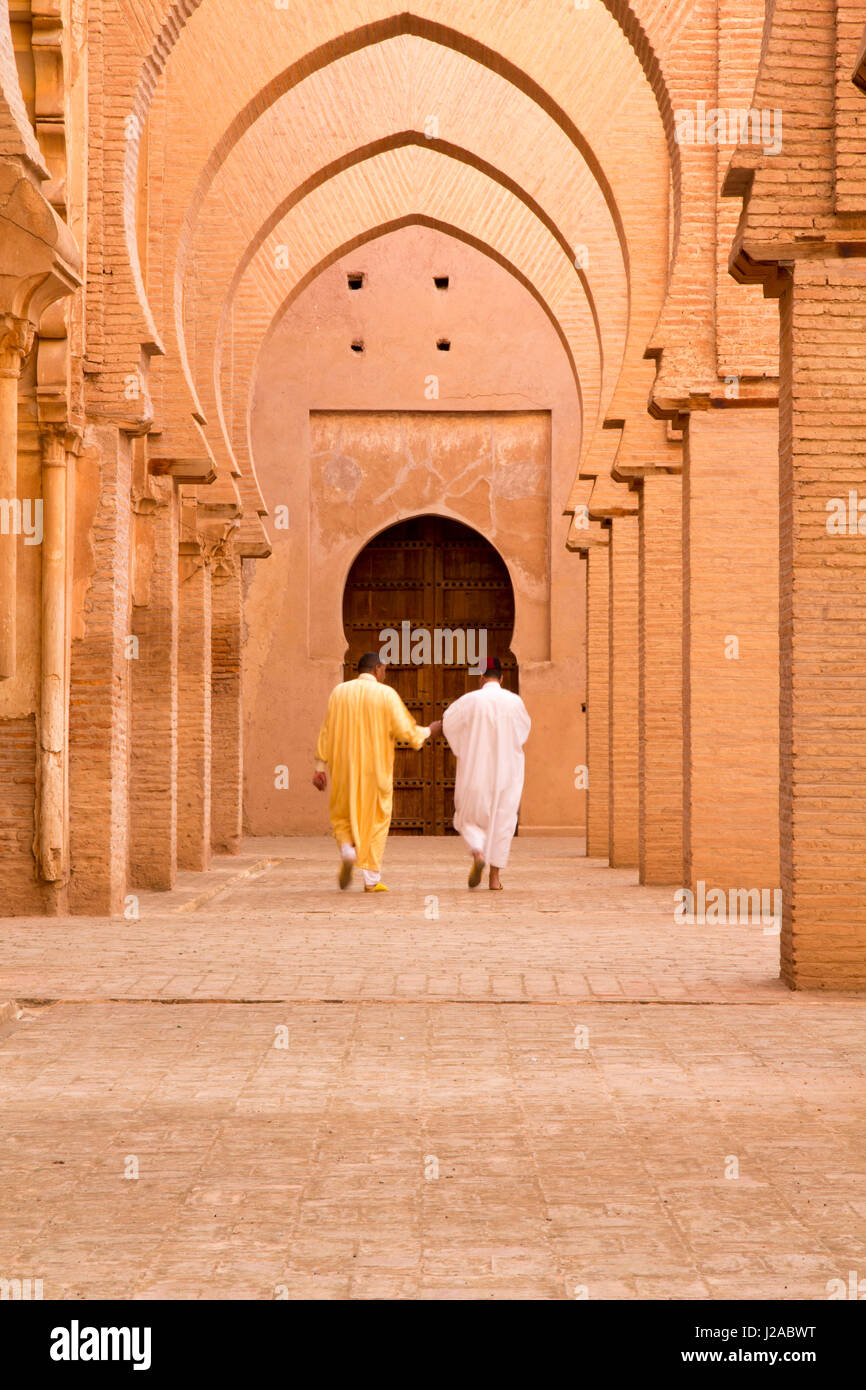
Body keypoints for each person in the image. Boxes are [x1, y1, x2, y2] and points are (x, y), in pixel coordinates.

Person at [313, 652, 442, 892]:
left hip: (343, 769)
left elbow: (327, 730)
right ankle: (371, 879)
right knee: (376, 819)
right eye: (385, 670)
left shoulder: (338, 692)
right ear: (378, 669)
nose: (385, 674)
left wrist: (320, 767)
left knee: (343, 815)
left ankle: (348, 850)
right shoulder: (386, 694)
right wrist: (428, 731)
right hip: (376, 770)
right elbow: (406, 731)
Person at [442, 656, 531, 890]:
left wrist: (467, 742)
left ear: (481, 677)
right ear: (501, 678)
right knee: (502, 821)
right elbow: (523, 733)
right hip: (507, 773)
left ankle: (478, 853)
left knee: (469, 818)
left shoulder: (469, 701)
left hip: (476, 771)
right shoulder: (514, 702)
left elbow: (448, 724)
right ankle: (494, 879)